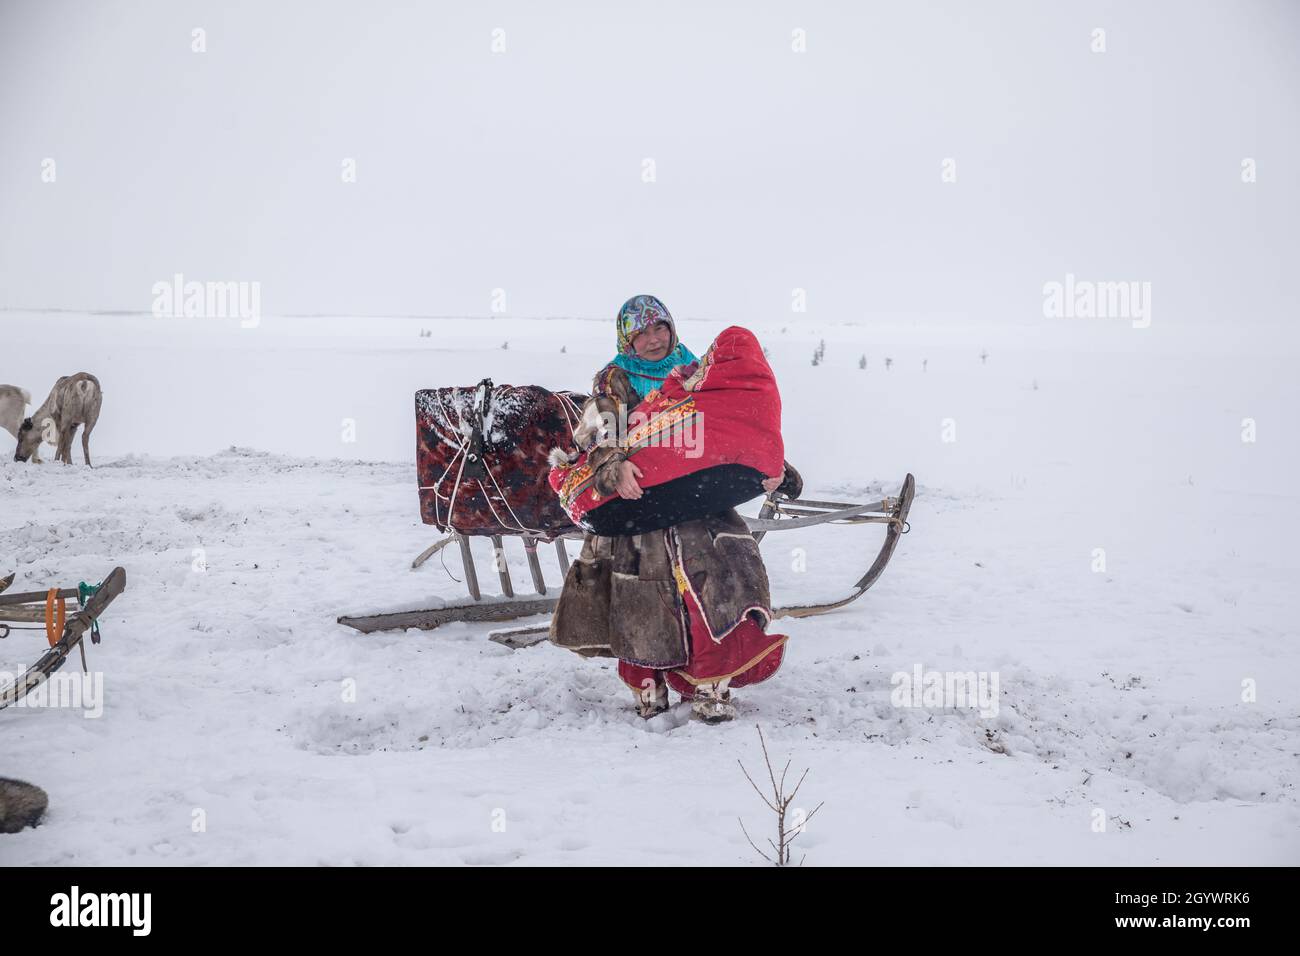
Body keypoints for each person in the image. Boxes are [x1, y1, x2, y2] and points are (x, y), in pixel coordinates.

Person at [549, 295, 801, 722]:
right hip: (638, 507)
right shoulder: (615, 382)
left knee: (718, 582)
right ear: (626, 340)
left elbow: (732, 427)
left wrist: (778, 469)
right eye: (641, 333)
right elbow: (595, 433)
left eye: (659, 328)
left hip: (699, 504)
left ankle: (712, 683)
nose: (653, 339)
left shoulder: (696, 373)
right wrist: (612, 465)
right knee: (644, 594)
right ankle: (650, 684)